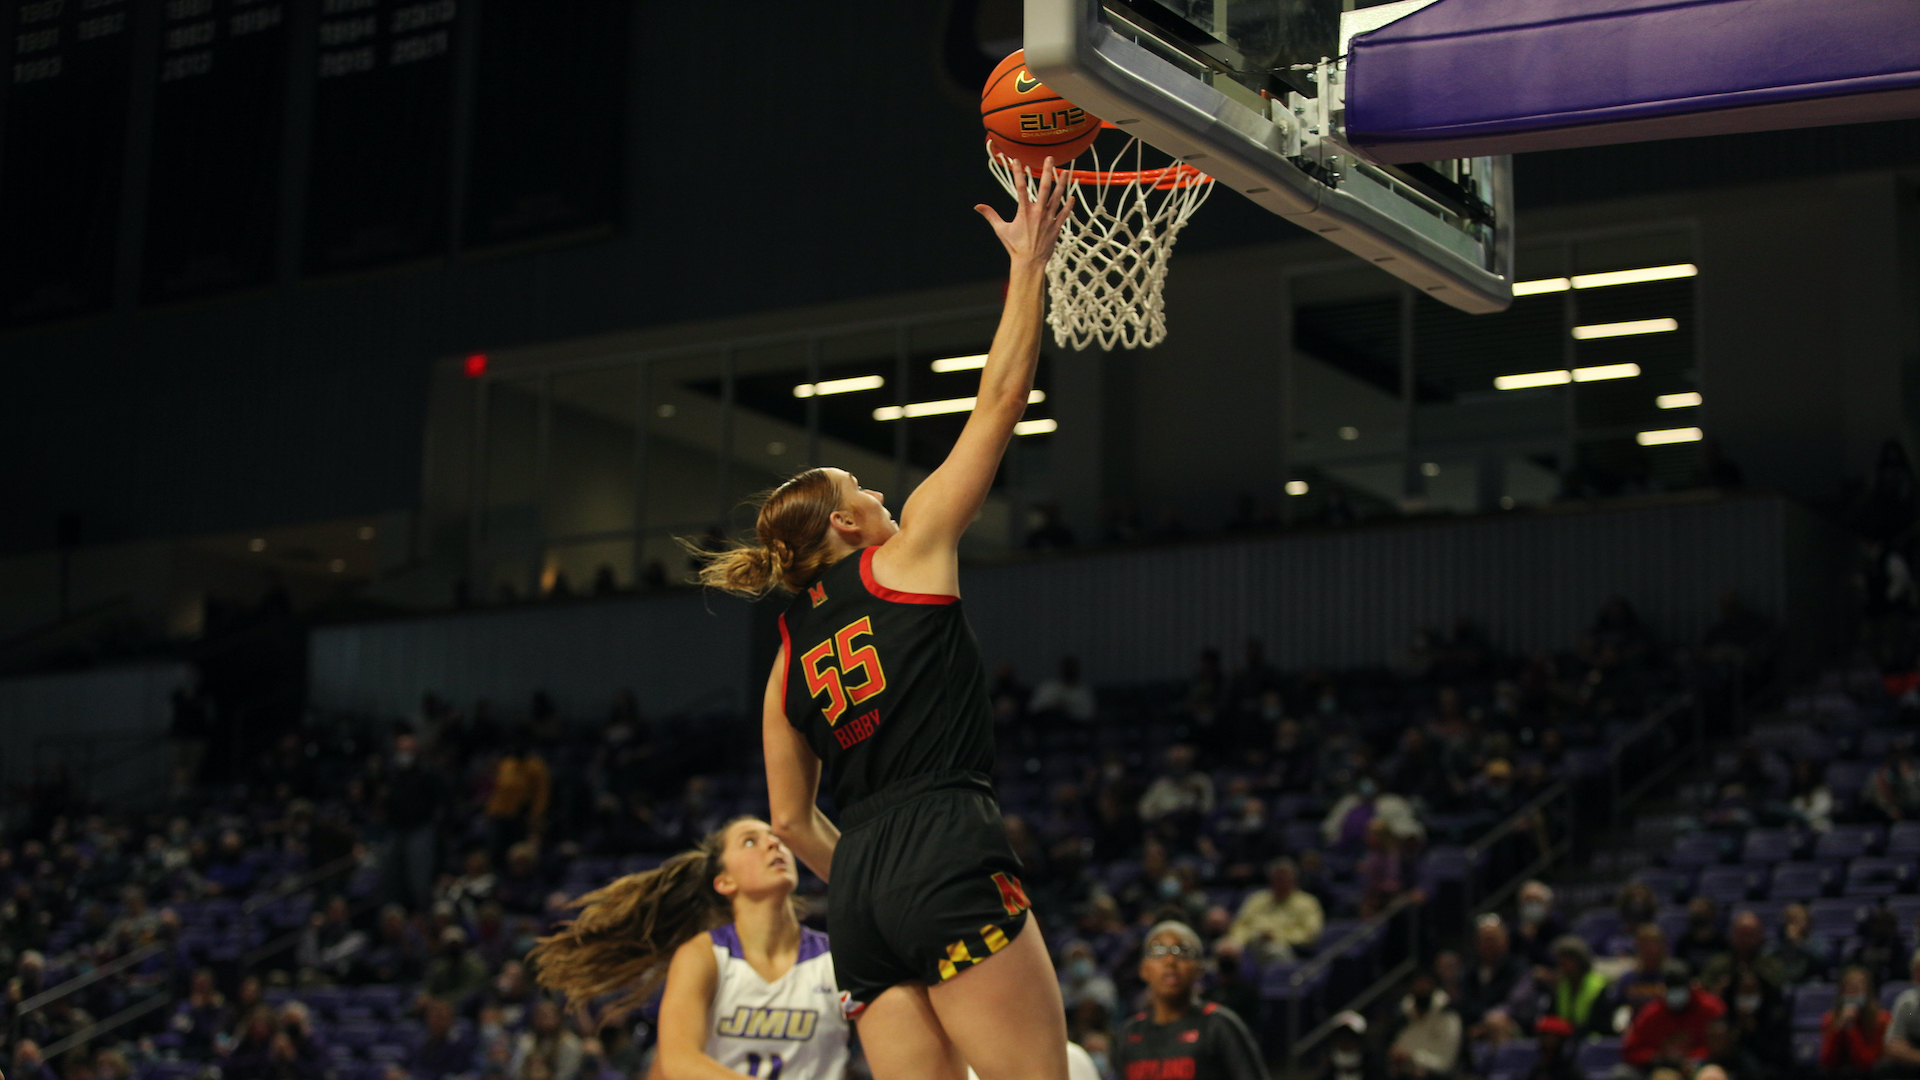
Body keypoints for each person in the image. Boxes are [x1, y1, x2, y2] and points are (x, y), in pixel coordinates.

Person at [701, 162, 1074, 1080]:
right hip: (945, 845)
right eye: (861, 489)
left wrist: (872, 870)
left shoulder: (786, 655)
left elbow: (790, 821)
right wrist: (1029, 266)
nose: (877, 493)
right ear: (844, 525)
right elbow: (998, 402)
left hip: (861, 891)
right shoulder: (902, 561)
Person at [531, 818, 849, 1080]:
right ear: (725, 881)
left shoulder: (837, 958)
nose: (773, 843)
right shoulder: (705, 955)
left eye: (774, 837)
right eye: (750, 841)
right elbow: (679, 1063)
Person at [1111, 922, 1266, 1080]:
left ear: (1199, 969)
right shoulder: (1127, 1034)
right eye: (1158, 951)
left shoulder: (1219, 1025)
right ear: (1143, 969)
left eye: (1183, 952)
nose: (1170, 961)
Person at [1621, 963, 1724, 1072]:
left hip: (1701, 1067)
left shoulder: (1711, 1008)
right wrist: (1657, 1058)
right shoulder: (1651, 1013)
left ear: (1691, 985)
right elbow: (1630, 1050)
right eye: (1671, 987)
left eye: (1680, 986)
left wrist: (1693, 1057)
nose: (1676, 992)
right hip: (1659, 1069)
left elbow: (1722, 1046)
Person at [1219, 857, 1323, 964]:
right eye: (1276, 878)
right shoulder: (1256, 899)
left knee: (1273, 951)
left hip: (1286, 947)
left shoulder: (1308, 903)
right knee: (1223, 947)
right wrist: (1235, 943)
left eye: (1283, 879)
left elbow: (1310, 935)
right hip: (1251, 943)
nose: (1279, 882)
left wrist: (1277, 936)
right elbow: (1241, 925)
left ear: (1293, 879)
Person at [1388, 969, 1461, 1080]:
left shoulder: (1448, 1017)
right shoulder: (1403, 1016)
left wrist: (1412, 1058)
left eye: (1426, 985)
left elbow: (1445, 1064)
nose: (1422, 988)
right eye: (1418, 985)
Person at [1822, 966, 1889, 1079]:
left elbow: (1867, 1064)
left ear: (1867, 992)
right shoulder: (1830, 1019)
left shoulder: (1881, 1019)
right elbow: (1827, 1062)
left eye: (1857, 989)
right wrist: (1839, 1028)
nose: (1852, 994)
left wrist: (1851, 1030)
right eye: (1848, 989)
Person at [1881, 948, 1920, 1080]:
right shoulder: (1907, 1004)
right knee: (1886, 1067)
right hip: (1915, 1062)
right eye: (1917, 971)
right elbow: (1893, 1046)